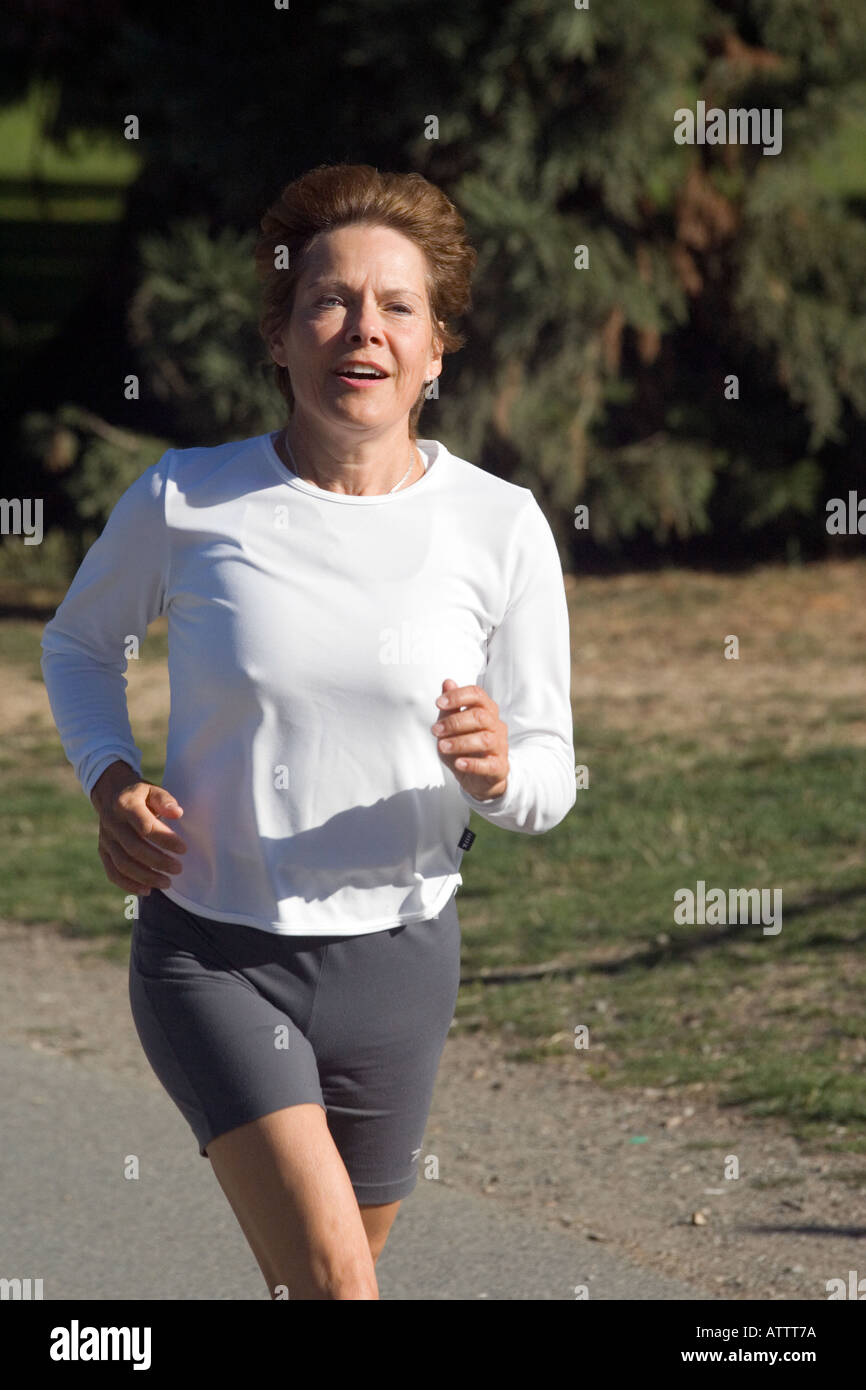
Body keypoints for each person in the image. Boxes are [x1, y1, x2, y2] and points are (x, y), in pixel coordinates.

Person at [40, 163, 576, 1300]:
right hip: (215, 952)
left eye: (397, 307)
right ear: (279, 337)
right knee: (338, 1280)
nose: (360, 329)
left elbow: (547, 777)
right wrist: (110, 782)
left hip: (402, 961)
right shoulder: (188, 500)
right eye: (327, 301)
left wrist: (496, 772)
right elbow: (79, 646)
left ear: (437, 349)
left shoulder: (500, 527)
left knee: (314, 1287)